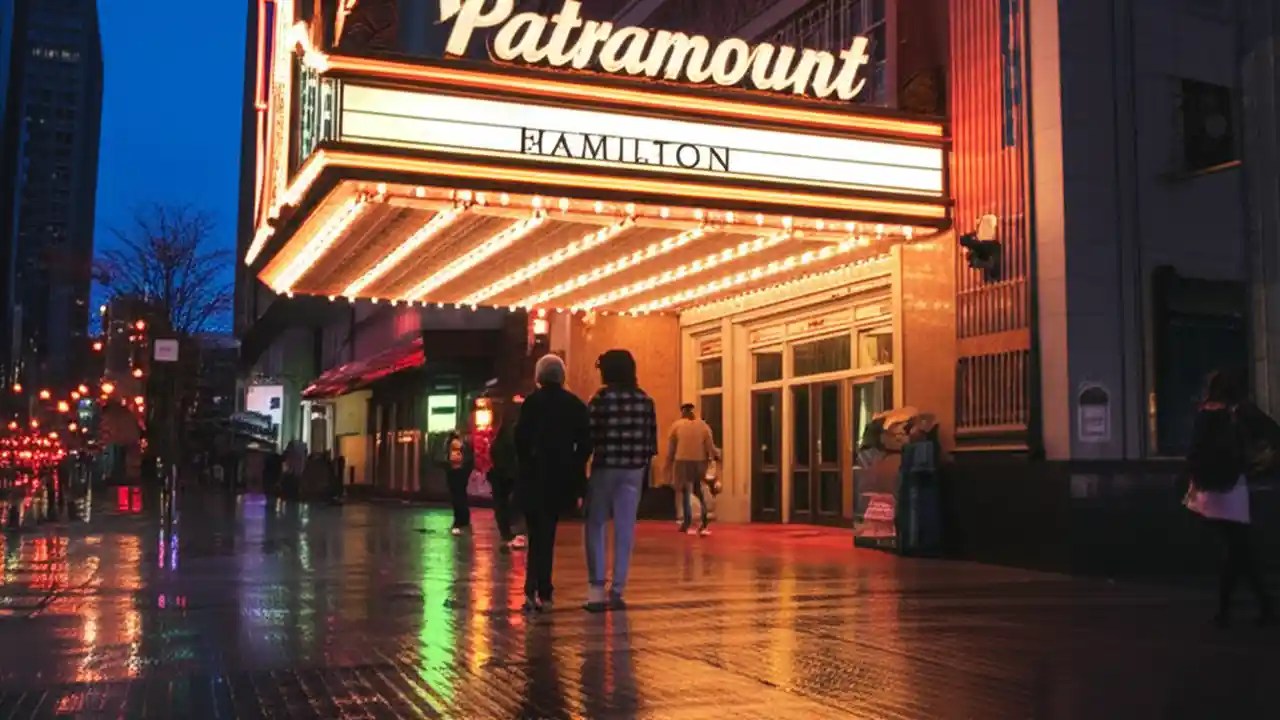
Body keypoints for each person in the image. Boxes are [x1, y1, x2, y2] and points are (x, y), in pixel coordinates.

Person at [1184, 370, 1275, 627]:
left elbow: (1193, 452)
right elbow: (1273, 433)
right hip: (1234, 485)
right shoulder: (1241, 411)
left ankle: (1236, 609)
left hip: (1207, 490)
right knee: (1239, 548)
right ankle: (1254, 607)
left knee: (1236, 548)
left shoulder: (1203, 413)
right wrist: (1261, 462)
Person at [514, 355, 591, 612]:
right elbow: (586, 442)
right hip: (560, 478)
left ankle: (532, 588)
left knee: (536, 532)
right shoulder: (575, 404)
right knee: (547, 531)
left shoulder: (531, 404)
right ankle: (543, 590)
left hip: (534, 475)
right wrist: (574, 464)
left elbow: (520, 440)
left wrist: (525, 464)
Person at [584, 349, 658, 613]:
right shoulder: (645, 400)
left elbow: (588, 436)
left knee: (596, 524)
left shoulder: (600, 400)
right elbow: (651, 444)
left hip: (606, 466)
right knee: (626, 529)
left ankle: (596, 588)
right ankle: (617, 588)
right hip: (634, 469)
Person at [667, 403, 718, 536]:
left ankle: (687, 521)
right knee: (698, 490)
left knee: (684, 491)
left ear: (682, 412)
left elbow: (671, 448)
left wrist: (668, 464)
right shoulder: (703, 425)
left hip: (682, 460)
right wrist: (715, 456)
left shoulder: (676, 426)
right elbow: (710, 445)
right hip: (699, 461)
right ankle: (704, 518)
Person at [490, 394, 528, 551]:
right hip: (514, 473)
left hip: (502, 473)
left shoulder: (502, 432)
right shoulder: (520, 430)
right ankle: (516, 532)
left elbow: (495, 451)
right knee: (515, 503)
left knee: (502, 504)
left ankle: (507, 532)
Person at [443, 429, 475, 536]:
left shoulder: (452, 444)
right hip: (460, 471)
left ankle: (459, 520)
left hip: (455, 470)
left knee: (457, 496)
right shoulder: (463, 445)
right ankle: (463, 519)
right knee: (461, 495)